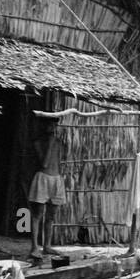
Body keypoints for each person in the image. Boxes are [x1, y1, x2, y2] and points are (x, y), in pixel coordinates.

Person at [27, 105, 113, 264]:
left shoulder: (60, 143)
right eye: (48, 124)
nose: (51, 127)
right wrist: (51, 143)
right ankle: (34, 247)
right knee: (37, 214)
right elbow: (45, 163)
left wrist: (57, 146)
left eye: (53, 124)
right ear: (44, 125)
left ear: (56, 125)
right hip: (43, 178)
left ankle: (46, 245)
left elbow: (60, 162)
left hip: (56, 179)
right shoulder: (39, 143)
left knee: (51, 216)